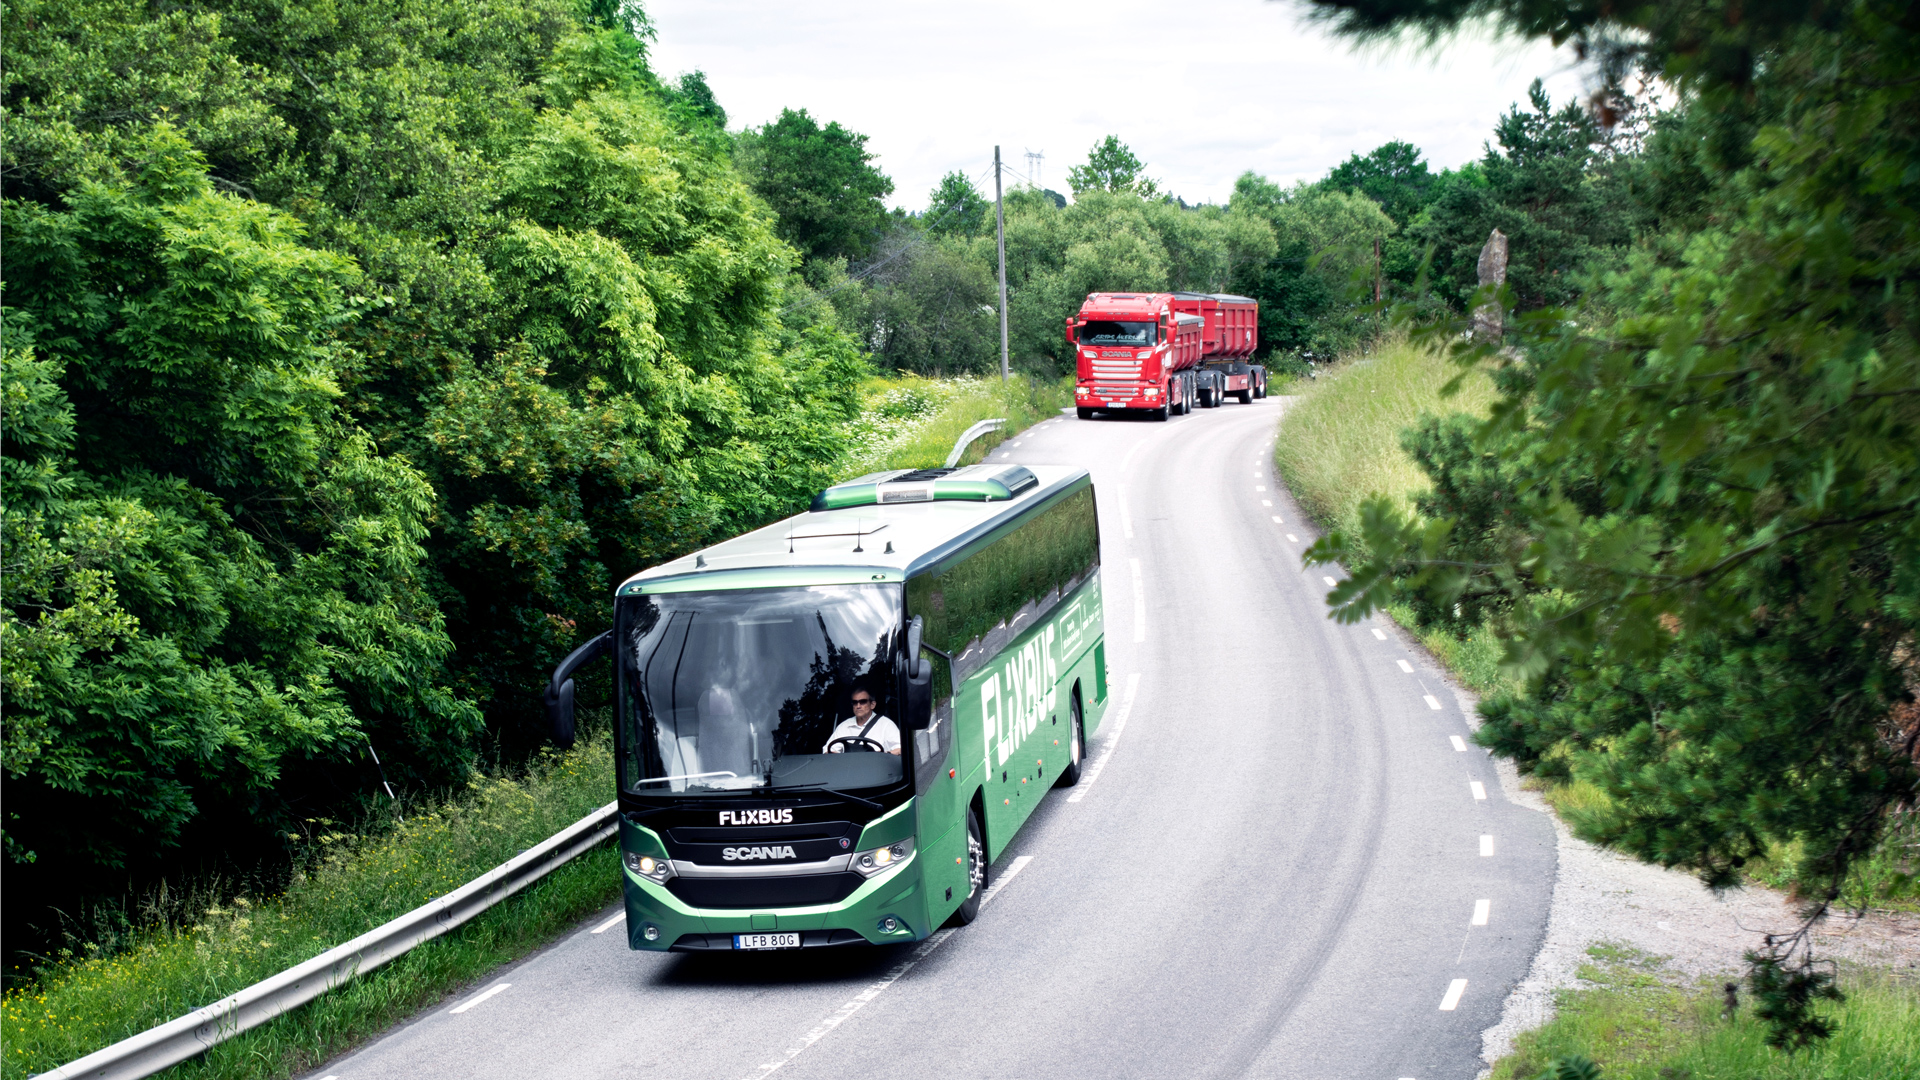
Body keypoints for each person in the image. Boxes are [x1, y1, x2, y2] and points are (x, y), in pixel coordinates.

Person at [822, 684, 900, 755]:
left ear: (872, 704)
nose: (858, 706)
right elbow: (828, 750)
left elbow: (901, 749)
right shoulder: (844, 726)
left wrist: (881, 756)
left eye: (863, 702)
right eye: (855, 702)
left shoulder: (886, 725)